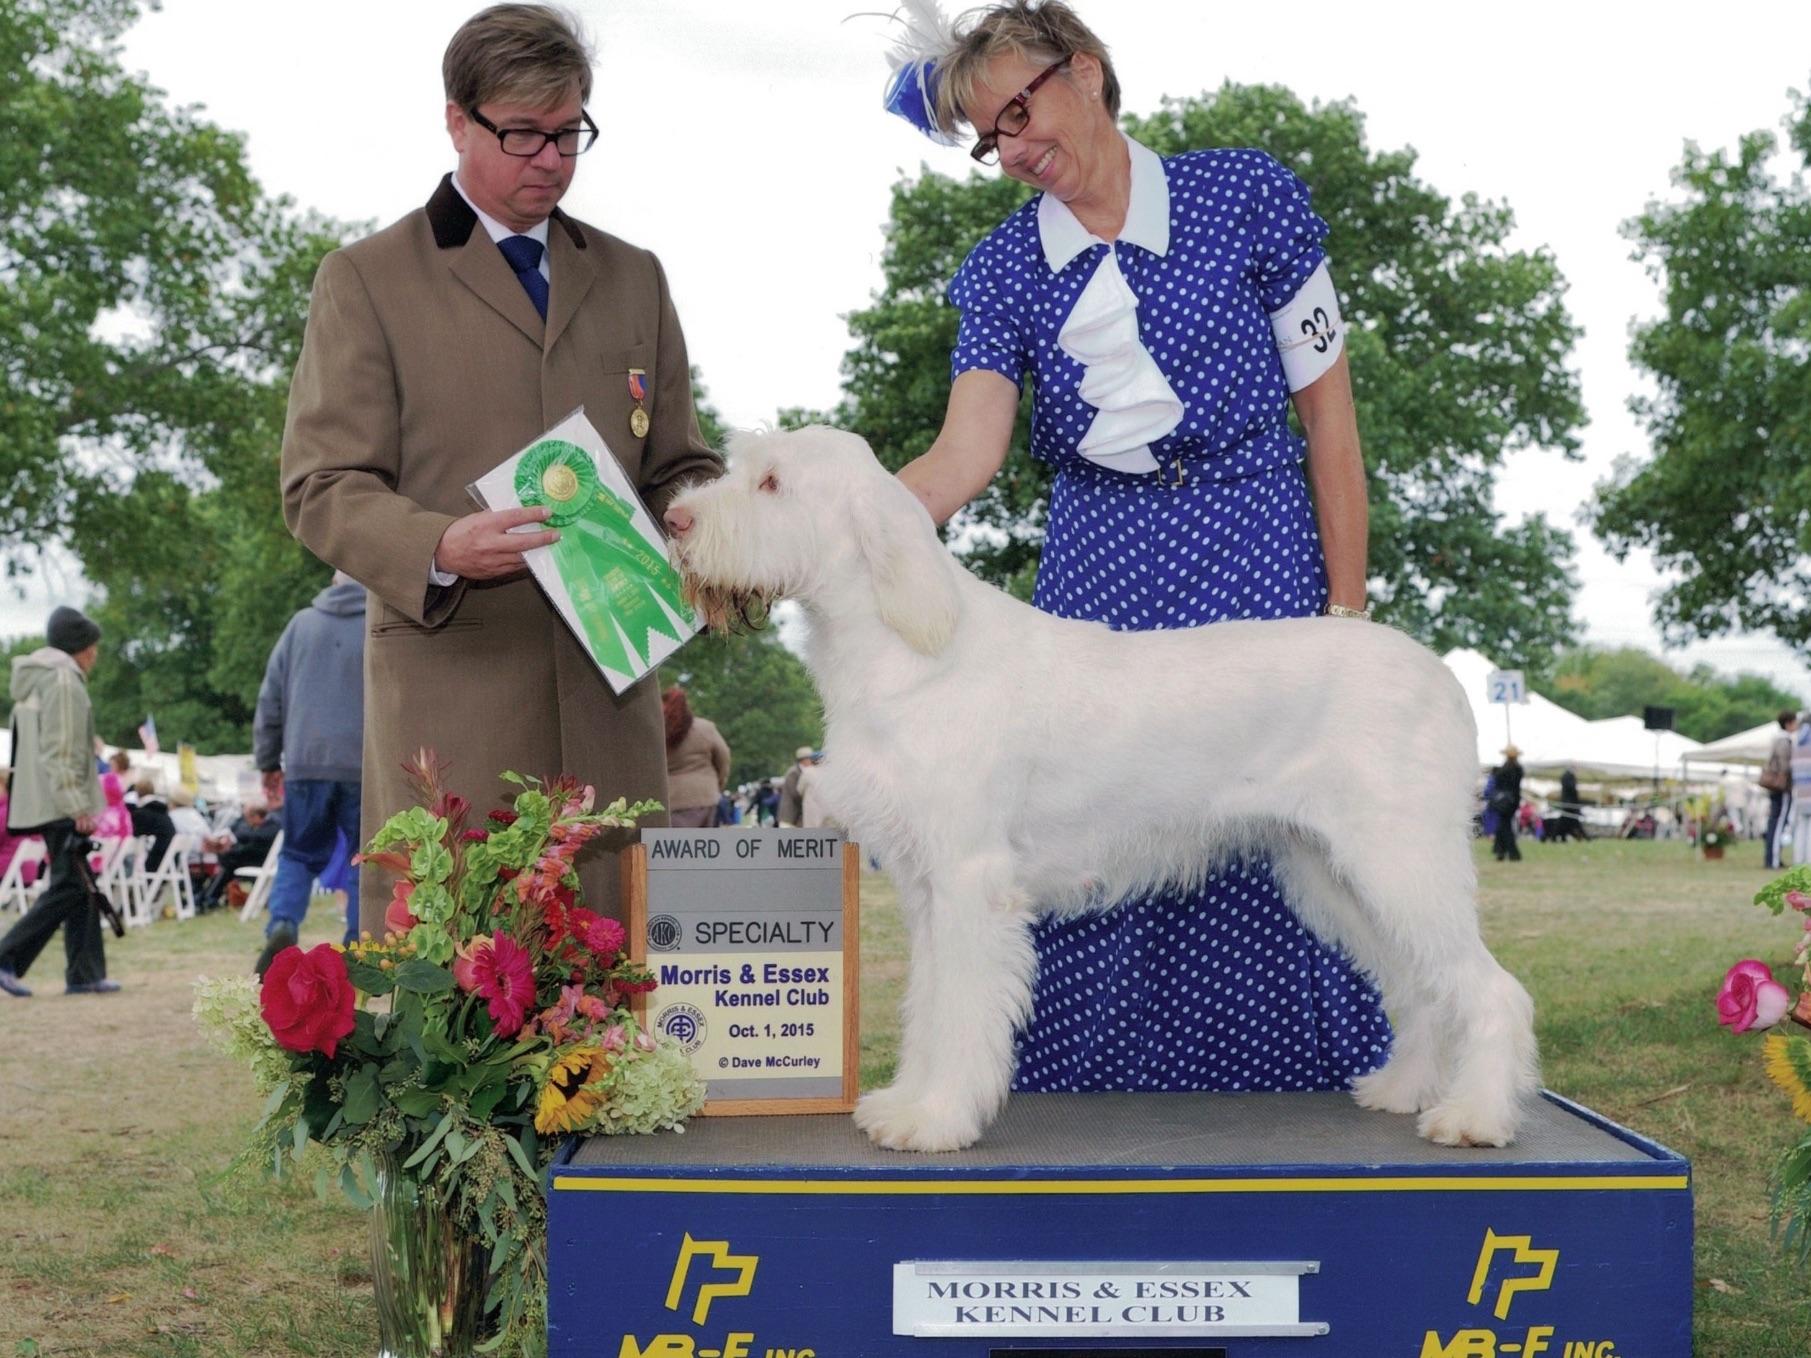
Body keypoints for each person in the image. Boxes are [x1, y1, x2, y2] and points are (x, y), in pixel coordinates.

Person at [880, 0, 1389, 1092]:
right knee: (1081, 852)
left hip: (1255, 555)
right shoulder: (1000, 268)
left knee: (1286, 849)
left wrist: (1342, 618)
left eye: (1018, 109)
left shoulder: (1247, 193)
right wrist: (838, 522)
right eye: (989, 135)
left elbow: (1330, 424)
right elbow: (961, 456)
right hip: (1094, 578)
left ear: (1091, 74)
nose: (1013, 148)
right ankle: (1085, 1130)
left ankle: (1301, 1119)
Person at [280, 4, 720, 926]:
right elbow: (321, 486)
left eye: (570, 134)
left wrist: (707, 526)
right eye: (523, 134)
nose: (551, 160)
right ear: (456, 118)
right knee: (462, 1004)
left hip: (612, 713)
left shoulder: (637, 276)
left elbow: (679, 464)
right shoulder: (365, 278)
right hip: (453, 709)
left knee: (609, 1013)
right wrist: (440, 543)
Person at [251, 571, 368, 975]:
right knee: (362, 858)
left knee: (298, 853)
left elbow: (271, 700)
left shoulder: (300, 625)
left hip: (305, 762)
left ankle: (283, 923)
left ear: (333, 583)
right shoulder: (381, 625)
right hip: (363, 764)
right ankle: (359, 942)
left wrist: (268, 761)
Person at [0, 606, 117, 997]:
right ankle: (7, 955)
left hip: (43, 798)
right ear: (80, 647)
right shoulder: (64, 681)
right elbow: (61, 750)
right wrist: (77, 805)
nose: (96, 655)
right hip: (60, 801)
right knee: (69, 884)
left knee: (80, 882)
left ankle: (84, 973)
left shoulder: (39, 680)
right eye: (93, 647)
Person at [662, 685, 732, 829]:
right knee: (705, 848)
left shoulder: (659, 733)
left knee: (676, 849)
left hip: (671, 799)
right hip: (705, 796)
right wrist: (719, 783)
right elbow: (724, 757)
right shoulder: (705, 728)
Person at [195, 801, 281, 912]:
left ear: (255, 816)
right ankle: (209, 897)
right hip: (254, 860)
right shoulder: (267, 826)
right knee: (228, 861)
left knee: (228, 862)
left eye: (247, 818)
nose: (246, 822)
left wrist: (225, 850)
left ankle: (208, 898)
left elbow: (249, 843)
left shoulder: (269, 828)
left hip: (259, 862)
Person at [1763, 709, 1797, 870]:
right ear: (1789, 723)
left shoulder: (1775, 739)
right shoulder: (1784, 741)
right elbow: (1785, 764)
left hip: (1774, 787)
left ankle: (1771, 857)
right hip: (1782, 787)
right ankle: (1773, 859)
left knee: (1774, 822)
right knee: (1778, 823)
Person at [128, 777, 178, 872]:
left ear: (137, 793)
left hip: (154, 862)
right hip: (169, 862)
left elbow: (134, 835)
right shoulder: (162, 812)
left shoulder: (142, 814)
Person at [1490, 746, 1525, 862]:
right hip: (1512, 802)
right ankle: (1501, 852)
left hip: (1504, 802)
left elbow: (1499, 780)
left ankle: (1511, 853)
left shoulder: (1506, 770)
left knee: (1505, 827)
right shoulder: (1518, 769)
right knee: (1503, 826)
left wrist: (1495, 772)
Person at [777, 747, 813, 828]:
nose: (812, 761)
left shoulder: (805, 771)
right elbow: (795, 794)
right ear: (804, 760)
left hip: (798, 816)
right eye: (810, 758)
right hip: (789, 816)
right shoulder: (793, 772)